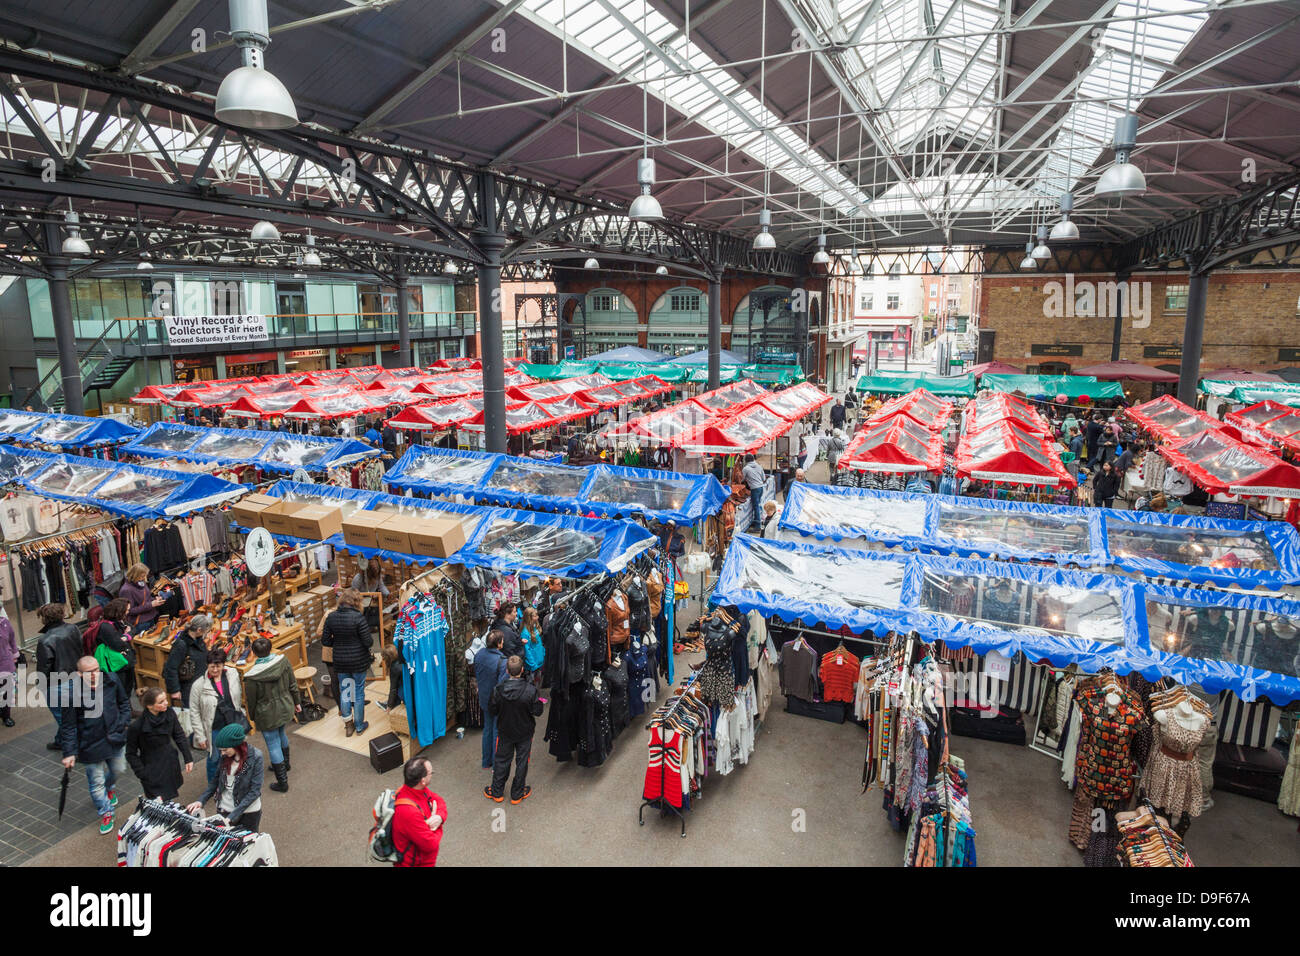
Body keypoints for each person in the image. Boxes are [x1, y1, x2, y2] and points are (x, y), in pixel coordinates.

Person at [60, 657, 132, 834]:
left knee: (119, 770)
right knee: (95, 782)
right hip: (90, 744)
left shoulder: (111, 679)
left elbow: (124, 703)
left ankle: (110, 788)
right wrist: (69, 752)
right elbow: (68, 726)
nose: (94, 674)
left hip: (114, 737)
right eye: (89, 672)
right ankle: (106, 812)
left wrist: (123, 722)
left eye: (96, 669)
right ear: (79, 674)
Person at [243, 637, 302, 794]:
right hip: (285, 705)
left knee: (273, 744)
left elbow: (251, 700)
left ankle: (282, 783)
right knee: (282, 733)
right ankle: (285, 763)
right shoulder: (283, 662)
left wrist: (253, 716)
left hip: (266, 713)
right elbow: (292, 683)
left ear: (254, 653)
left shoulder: (251, 677)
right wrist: (297, 701)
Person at [484, 655, 543, 805]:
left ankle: (497, 792)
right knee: (522, 761)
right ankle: (517, 793)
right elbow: (538, 711)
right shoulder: (530, 690)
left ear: (507, 670)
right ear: (522, 670)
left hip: (505, 731)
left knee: (502, 760)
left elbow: (492, 710)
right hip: (524, 732)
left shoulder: (498, 690)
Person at [187, 723, 264, 831]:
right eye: (221, 750)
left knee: (248, 845)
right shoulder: (225, 757)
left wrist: (231, 817)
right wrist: (201, 801)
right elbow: (215, 781)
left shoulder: (256, 756)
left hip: (248, 813)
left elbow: (254, 792)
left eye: (225, 749)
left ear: (236, 745)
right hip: (224, 810)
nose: (222, 753)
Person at [321, 588, 374, 736]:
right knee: (358, 693)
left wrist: (338, 644)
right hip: (358, 661)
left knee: (345, 692)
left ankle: (348, 725)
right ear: (357, 602)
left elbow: (325, 640)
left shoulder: (331, 617)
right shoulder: (358, 618)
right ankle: (359, 726)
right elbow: (368, 642)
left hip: (340, 661)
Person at [125, 687, 193, 801]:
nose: (166, 703)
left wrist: (188, 758)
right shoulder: (137, 726)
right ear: (150, 706)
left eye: (165, 699)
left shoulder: (169, 713)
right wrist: (143, 773)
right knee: (159, 802)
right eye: (161, 702)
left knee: (169, 798)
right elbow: (130, 753)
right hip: (152, 769)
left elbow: (179, 735)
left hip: (170, 763)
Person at [191, 648, 243, 785]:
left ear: (223, 665)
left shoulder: (232, 674)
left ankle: (234, 782)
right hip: (215, 728)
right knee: (214, 758)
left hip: (233, 724)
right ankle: (213, 787)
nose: (215, 670)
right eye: (212, 666)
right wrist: (200, 735)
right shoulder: (199, 685)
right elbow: (194, 712)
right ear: (207, 665)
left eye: (218, 666)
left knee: (236, 753)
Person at [36, 602, 83, 750]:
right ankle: (60, 740)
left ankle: (76, 747)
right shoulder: (73, 628)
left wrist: (41, 684)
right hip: (76, 676)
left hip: (57, 683)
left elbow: (44, 666)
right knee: (74, 712)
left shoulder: (45, 640)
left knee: (64, 718)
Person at [391, 757, 448, 867]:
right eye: (431, 773)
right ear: (423, 780)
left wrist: (439, 817)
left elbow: (438, 800)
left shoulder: (416, 789)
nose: (432, 775)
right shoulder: (408, 812)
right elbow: (431, 845)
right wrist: (435, 827)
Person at [163, 612, 212, 734]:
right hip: (187, 685)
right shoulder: (181, 645)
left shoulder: (198, 640)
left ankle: (199, 736)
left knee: (199, 711)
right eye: (207, 630)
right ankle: (194, 737)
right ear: (199, 629)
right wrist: (174, 690)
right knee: (191, 713)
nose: (207, 632)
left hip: (199, 681)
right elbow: (171, 668)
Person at [84, 599, 136, 708]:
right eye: (126, 610)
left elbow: (132, 629)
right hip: (117, 665)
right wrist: (126, 636)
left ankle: (128, 710)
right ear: (119, 611)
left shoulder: (120, 621)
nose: (128, 612)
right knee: (120, 690)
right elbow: (118, 645)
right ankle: (123, 714)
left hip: (125, 660)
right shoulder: (106, 627)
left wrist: (125, 636)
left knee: (127, 687)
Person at [473, 631, 508, 770]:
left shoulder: (479, 654)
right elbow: (502, 686)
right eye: (502, 641)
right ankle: (496, 764)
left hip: (484, 697)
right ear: (499, 644)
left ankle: (486, 761)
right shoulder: (502, 661)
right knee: (496, 731)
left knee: (487, 729)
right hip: (496, 702)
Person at [120, 563, 165, 632]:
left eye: (144, 576)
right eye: (142, 576)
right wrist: (151, 604)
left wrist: (155, 600)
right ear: (135, 575)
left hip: (151, 617)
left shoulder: (141, 583)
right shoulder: (126, 590)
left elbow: (147, 598)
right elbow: (130, 611)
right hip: (140, 623)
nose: (144, 578)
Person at [520, 606, 544, 682]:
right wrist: (533, 665)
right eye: (535, 616)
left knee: (538, 685)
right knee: (532, 687)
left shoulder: (535, 627)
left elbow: (539, 643)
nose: (538, 617)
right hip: (532, 667)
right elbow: (527, 651)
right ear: (529, 618)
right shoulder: (525, 633)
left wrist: (543, 653)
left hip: (539, 662)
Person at [0, 609, 16, 728]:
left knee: (7, 691)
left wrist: (15, 655)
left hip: (5, 663)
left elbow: (12, 640)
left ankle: (6, 715)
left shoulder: (5, 623)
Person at [741, 454, 766, 529]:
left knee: (756, 506)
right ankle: (758, 521)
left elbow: (741, 480)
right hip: (761, 488)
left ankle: (757, 526)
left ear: (745, 460)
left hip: (754, 489)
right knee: (758, 505)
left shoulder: (746, 469)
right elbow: (764, 478)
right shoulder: (759, 466)